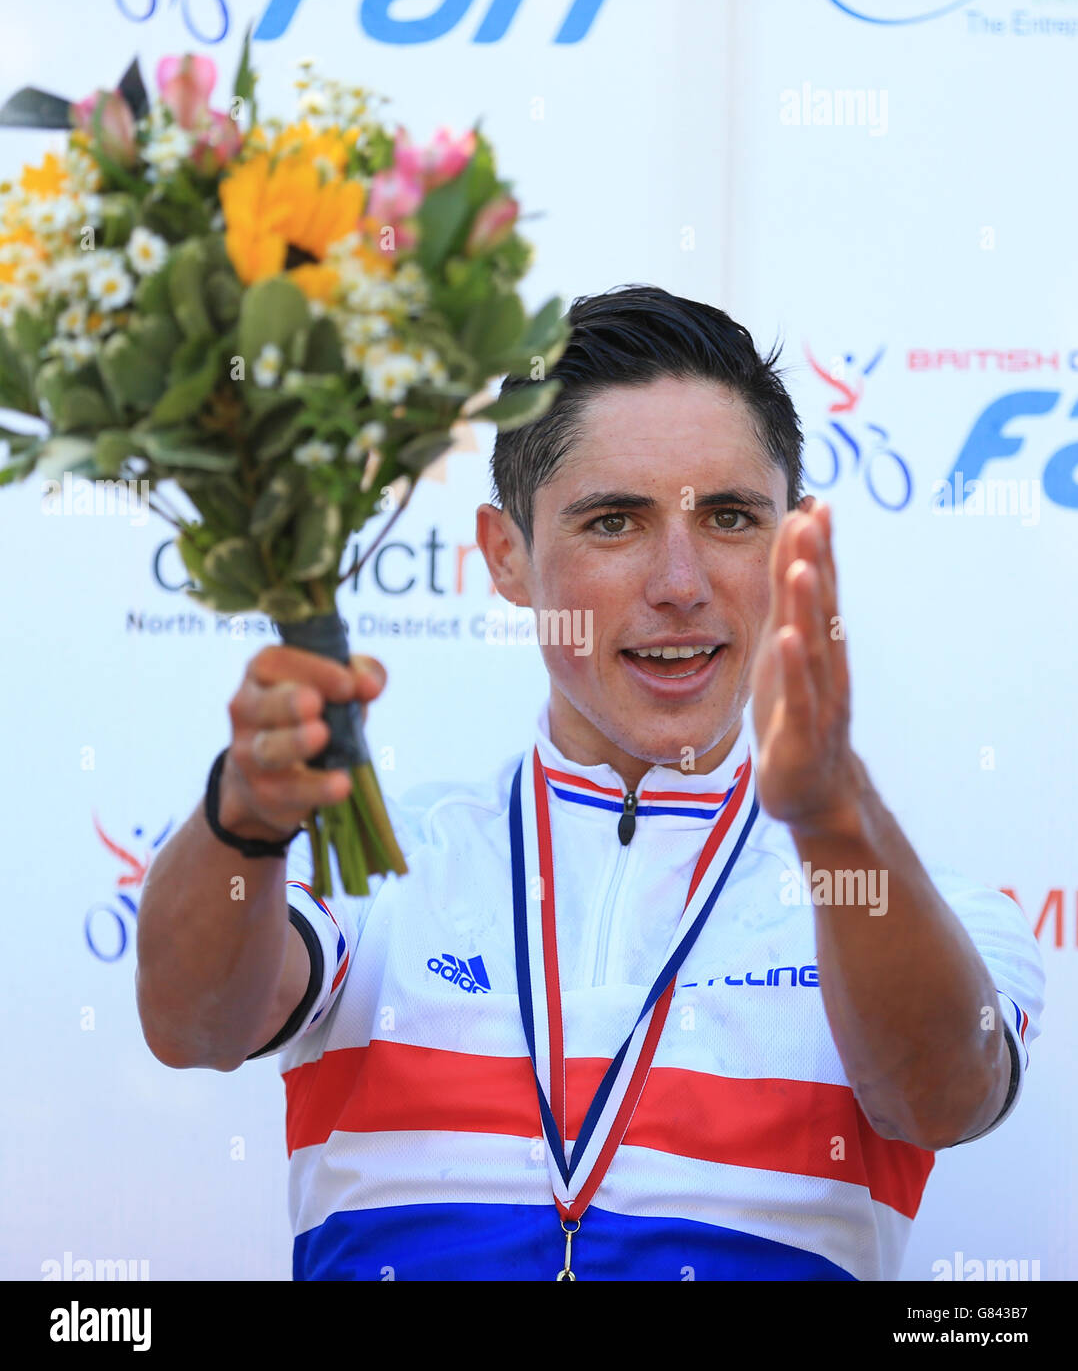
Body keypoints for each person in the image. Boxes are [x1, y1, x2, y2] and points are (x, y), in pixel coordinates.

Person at [136, 285, 1043, 1282]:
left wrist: (833, 821)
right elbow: (193, 1026)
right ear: (505, 557)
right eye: (615, 521)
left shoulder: (924, 906)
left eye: (732, 516)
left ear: (794, 546)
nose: (680, 581)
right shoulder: (388, 863)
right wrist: (242, 821)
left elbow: (942, 1098)